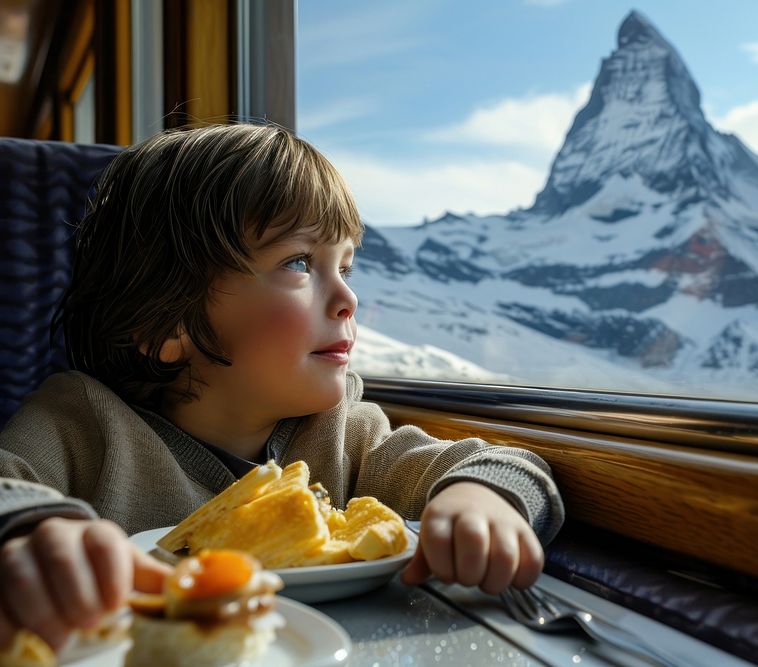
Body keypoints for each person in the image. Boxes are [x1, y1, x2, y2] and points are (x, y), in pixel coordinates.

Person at [0, 123, 564, 653]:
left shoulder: (345, 433)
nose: (348, 298)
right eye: (299, 262)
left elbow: (500, 464)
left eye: (347, 266)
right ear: (162, 325)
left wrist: (479, 500)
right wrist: (32, 536)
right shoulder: (80, 424)